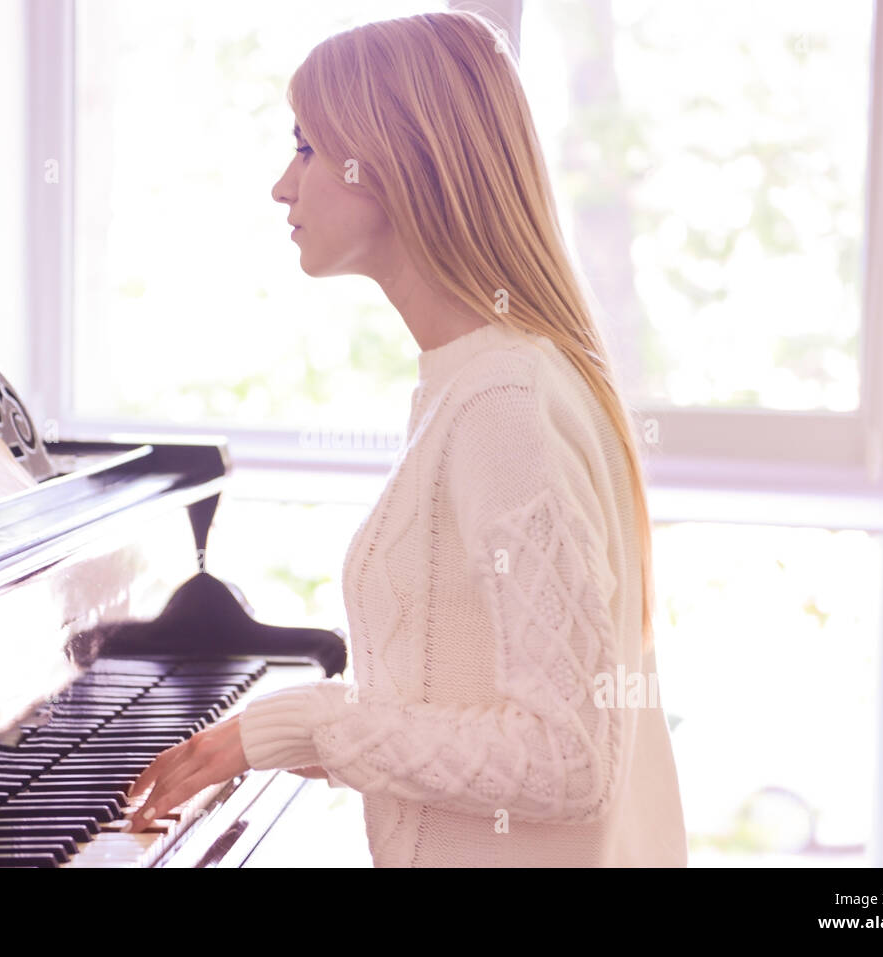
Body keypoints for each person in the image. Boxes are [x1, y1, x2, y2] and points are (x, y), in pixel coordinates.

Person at [127, 8, 686, 867]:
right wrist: (286, 733)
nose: (284, 184)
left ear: (395, 164)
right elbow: (460, 694)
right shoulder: (480, 377)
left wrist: (303, 723)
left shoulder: (506, 400)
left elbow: (568, 758)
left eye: (307, 148)